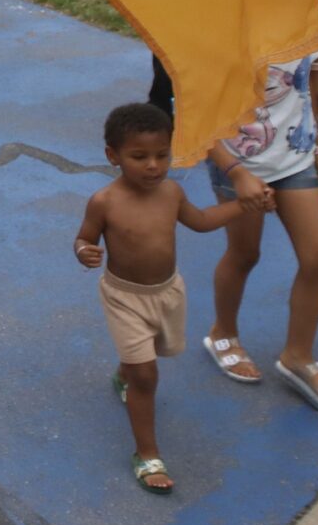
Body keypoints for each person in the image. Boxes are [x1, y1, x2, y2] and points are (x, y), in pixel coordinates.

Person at [74, 102, 245, 493]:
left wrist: (242, 205)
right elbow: (84, 237)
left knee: (147, 357)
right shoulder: (105, 201)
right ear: (113, 156)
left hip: (168, 292)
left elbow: (202, 222)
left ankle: (125, 373)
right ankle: (147, 453)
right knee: (147, 375)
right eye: (139, 157)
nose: (153, 165)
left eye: (162, 155)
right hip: (124, 297)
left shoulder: (171, 192)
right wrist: (85, 251)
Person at [197, 54, 318, 415]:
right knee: (245, 254)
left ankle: (298, 355)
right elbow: (195, 114)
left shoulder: (301, 28)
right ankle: (223, 333)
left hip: (295, 156)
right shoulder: (220, 36)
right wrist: (236, 174)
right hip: (240, 163)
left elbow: (303, 90)